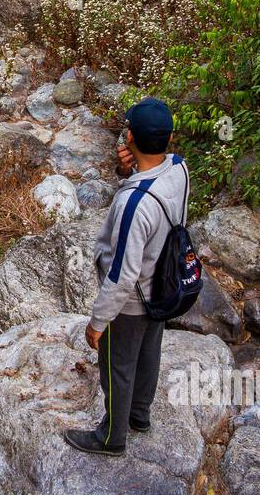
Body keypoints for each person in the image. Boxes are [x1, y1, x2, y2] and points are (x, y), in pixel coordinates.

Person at [64, 97, 191, 457]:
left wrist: (98, 321)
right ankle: (139, 416)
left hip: (132, 298)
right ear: (168, 139)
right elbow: (157, 185)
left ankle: (111, 437)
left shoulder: (133, 204)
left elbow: (122, 273)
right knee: (150, 350)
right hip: (162, 284)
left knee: (117, 365)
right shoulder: (179, 168)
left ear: (130, 136)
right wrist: (130, 171)